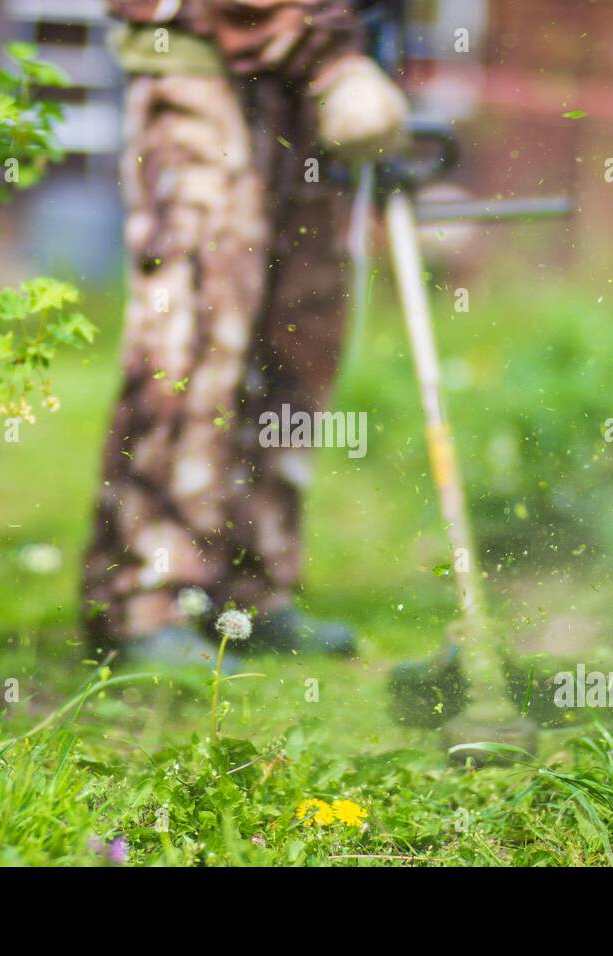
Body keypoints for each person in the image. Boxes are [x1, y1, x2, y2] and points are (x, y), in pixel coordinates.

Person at [82, 0, 408, 668]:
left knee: (301, 331)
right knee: (197, 329)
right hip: (199, 54)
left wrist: (357, 60)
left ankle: (249, 593)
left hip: (307, 80)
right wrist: (335, 59)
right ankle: (147, 598)